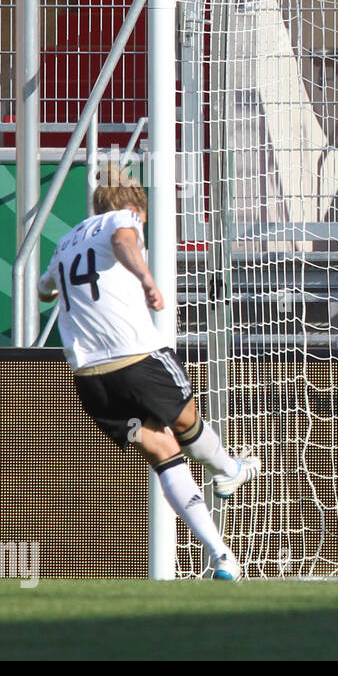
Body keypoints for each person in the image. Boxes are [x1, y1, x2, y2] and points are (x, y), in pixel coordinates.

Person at [37, 165, 259, 581]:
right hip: (137, 358)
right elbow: (123, 240)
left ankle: (221, 557)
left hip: (91, 379)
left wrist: (54, 288)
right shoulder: (123, 220)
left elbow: (43, 288)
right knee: (188, 423)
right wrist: (145, 278)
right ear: (138, 208)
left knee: (164, 456)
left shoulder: (64, 242)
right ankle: (228, 471)